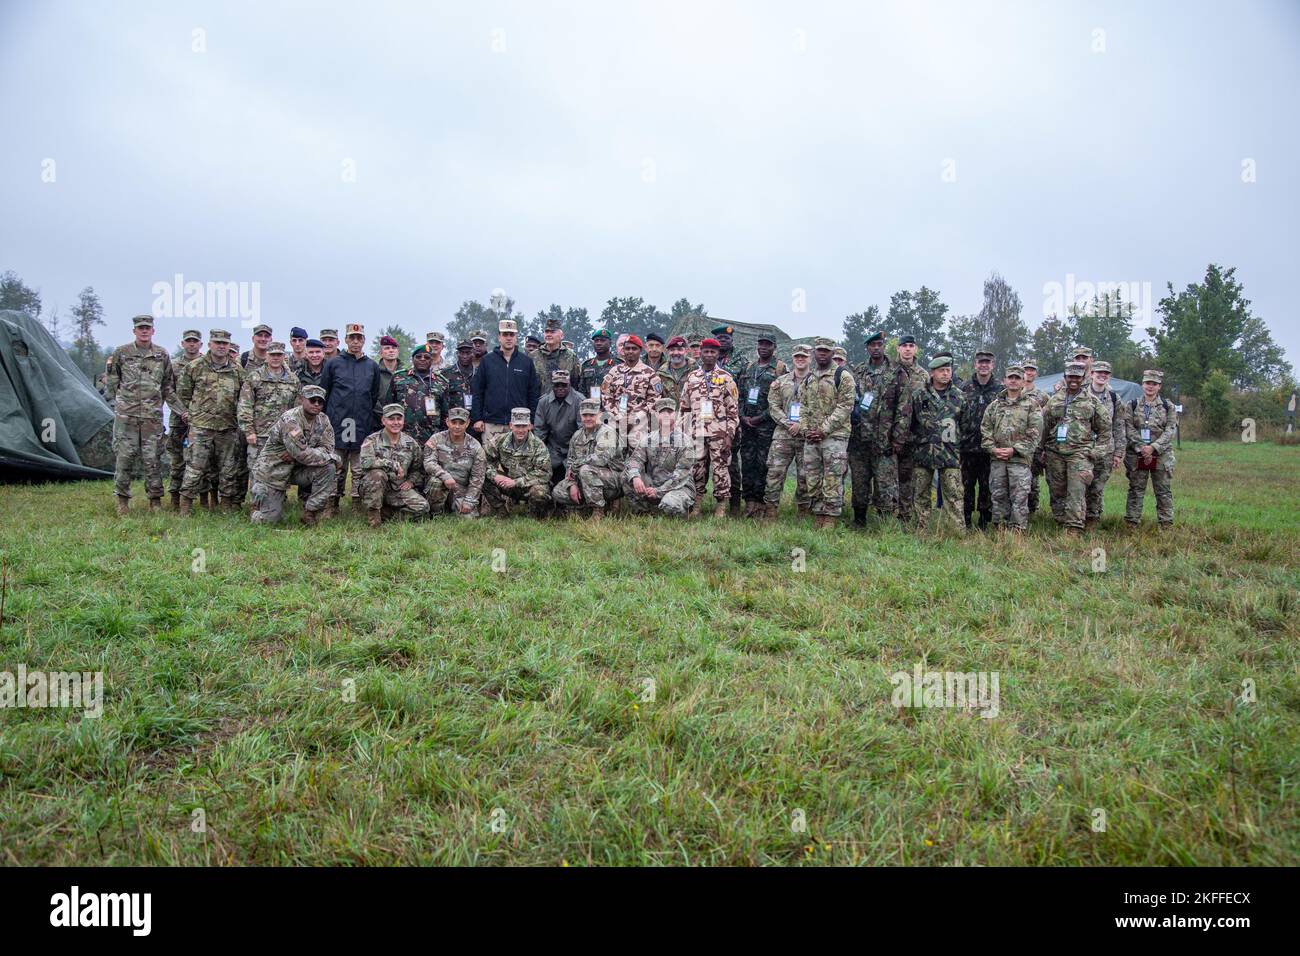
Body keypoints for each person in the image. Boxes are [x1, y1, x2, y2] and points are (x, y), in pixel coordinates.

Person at [105, 314, 184, 515]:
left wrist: (183, 412)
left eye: (147, 327)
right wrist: (118, 407)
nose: (144, 331)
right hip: (127, 419)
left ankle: (155, 501)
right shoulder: (122, 353)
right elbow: (112, 386)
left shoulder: (161, 355)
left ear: (153, 331)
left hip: (152, 418)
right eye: (140, 328)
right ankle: (122, 501)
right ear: (134, 331)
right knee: (124, 459)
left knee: (153, 460)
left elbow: (167, 387)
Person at [177, 329, 246, 514]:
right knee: (195, 468)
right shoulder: (195, 367)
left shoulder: (237, 370)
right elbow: (183, 393)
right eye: (217, 343)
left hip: (227, 427)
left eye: (225, 343)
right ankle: (186, 506)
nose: (221, 346)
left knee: (228, 469)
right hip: (201, 427)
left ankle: (226, 506)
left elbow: (243, 397)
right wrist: (188, 413)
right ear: (209, 345)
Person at [249, 386, 338, 525]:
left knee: (328, 468)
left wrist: (299, 454)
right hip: (274, 470)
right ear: (302, 400)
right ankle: (257, 506)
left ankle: (310, 513)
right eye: (312, 400)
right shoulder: (291, 420)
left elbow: (328, 448)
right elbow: (302, 454)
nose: (316, 404)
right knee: (269, 521)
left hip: (299, 468)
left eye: (320, 402)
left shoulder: (324, 420)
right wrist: (303, 454)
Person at [1041, 361, 1111, 537]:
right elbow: (1044, 426)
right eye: (1070, 376)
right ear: (1065, 378)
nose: (1074, 380)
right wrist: (1041, 450)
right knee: (1057, 490)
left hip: (1080, 453)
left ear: (1083, 378)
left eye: (1077, 377)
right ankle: (1060, 520)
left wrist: (1097, 452)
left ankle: (1074, 527)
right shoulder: (1054, 400)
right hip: (1055, 453)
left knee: (1076, 491)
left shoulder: (1092, 402)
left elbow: (1105, 429)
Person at [319, 322, 382, 517]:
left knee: (358, 467)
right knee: (336, 466)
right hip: (337, 422)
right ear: (345, 340)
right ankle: (332, 503)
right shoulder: (333, 363)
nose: (355, 341)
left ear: (364, 340)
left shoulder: (372, 366)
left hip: (361, 422)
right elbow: (325, 393)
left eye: (359, 338)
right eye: (352, 337)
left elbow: (373, 394)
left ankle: (356, 503)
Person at [848, 331, 906, 525]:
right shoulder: (858, 372)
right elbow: (850, 402)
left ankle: (885, 524)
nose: (876, 348)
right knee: (859, 481)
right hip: (859, 438)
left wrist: (898, 438)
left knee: (885, 484)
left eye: (879, 344)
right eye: (872, 345)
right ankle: (859, 520)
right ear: (867, 348)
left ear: (884, 346)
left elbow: (904, 408)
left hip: (885, 440)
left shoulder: (896, 372)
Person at [798, 338, 855, 528]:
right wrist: (806, 429)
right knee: (812, 477)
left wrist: (823, 430)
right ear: (814, 352)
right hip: (812, 436)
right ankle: (818, 513)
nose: (822, 353)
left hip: (835, 436)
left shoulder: (843, 376)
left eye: (826, 351)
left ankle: (830, 517)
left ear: (832, 353)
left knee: (832, 477)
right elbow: (803, 406)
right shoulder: (809, 377)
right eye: (819, 350)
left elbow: (845, 406)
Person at [679, 338, 739, 517]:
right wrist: (684, 432)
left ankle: (721, 505)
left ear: (718, 354)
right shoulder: (692, 378)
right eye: (706, 351)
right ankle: (696, 504)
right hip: (696, 433)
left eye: (713, 352)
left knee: (720, 469)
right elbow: (684, 408)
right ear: (701, 353)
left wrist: (729, 434)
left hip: (719, 432)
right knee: (697, 468)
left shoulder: (726, 378)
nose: (709, 355)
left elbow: (733, 410)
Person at [980, 365, 1042, 533]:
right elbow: (985, 430)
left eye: (1017, 378)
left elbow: (1035, 433)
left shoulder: (1032, 405)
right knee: (998, 495)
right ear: (1004, 381)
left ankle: (1017, 531)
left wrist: (1014, 450)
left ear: (1023, 381)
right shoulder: (994, 405)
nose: (1013, 381)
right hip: (998, 459)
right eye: (1010, 378)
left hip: (1019, 461)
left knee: (1019, 497)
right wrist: (992, 449)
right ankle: (999, 528)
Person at [909, 355, 965, 533]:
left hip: (949, 454)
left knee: (954, 495)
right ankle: (921, 529)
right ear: (932, 372)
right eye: (941, 370)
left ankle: (955, 531)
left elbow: (967, 425)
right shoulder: (919, 395)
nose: (946, 374)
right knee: (920, 494)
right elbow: (910, 423)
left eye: (948, 370)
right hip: (923, 452)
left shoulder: (959, 396)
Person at [736, 334, 787, 516]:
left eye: (768, 344)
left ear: (774, 347)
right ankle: (749, 501)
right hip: (747, 425)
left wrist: (760, 418)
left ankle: (761, 503)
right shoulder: (748, 367)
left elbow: (781, 400)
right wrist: (742, 416)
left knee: (764, 463)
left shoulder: (780, 369)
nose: (763, 347)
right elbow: (739, 395)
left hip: (766, 426)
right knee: (748, 463)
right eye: (761, 344)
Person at [762, 344, 812, 518]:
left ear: (810, 358)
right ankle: (770, 511)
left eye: (804, 356)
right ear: (793, 358)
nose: (800, 359)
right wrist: (786, 422)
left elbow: (820, 408)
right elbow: (773, 405)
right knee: (774, 472)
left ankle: (803, 511)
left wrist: (802, 424)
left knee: (806, 474)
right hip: (783, 434)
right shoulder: (781, 381)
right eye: (797, 356)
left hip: (806, 435)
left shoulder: (817, 381)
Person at [552, 398, 625, 518]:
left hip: (613, 479)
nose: (588, 418)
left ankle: (598, 511)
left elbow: (601, 459)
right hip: (587, 478)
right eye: (585, 415)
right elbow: (570, 462)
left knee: (586, 470)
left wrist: (577, 465)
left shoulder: (607, 433)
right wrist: (572, 483)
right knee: (558, 491)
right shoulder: (577, 436)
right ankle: (585, 507)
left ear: (600, 415)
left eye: (592, 415)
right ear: (580, 416)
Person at [358, 404, 429, 526]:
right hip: (374, 487)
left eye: (399, 419)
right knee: (377, 474)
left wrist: (411, 481)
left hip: (398, 489)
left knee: (423, 508)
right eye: (391, 419)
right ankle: (374, 518)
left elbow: (418, 469)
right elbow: (365, 463)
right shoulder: (372, 440)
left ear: (403, 420)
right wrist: (391, 464)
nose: (396, 422)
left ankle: (387, 513)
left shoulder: (410, 443)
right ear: (383, 420)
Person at [471, 319, 540, 445]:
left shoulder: (526, 362)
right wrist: (477, 418)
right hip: (491, 423)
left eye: (512, 334)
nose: (508, 338)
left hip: (519, 424)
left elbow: (533, 393)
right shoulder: (487, 361)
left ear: (516, 337)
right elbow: (478, 391)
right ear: (499, 337)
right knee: (491, 462)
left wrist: (532, 420)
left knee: (517, 462)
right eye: (505, 334)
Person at [624, 398, 696, 516]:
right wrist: (635, 477)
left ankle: (683, 507)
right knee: (627, 476)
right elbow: (635, 460)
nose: (666, 415)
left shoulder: (685, 441)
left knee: (670, 504)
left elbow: (681, 474)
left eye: (670, 411)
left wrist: (659, 491)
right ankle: (645, 512)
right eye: (662, 412)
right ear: (657, 415)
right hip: (655, 484)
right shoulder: (648, 438)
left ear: (675, 414)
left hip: (679, 487)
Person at [237, 342, 301, 475]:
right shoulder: (255, 377)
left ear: (284, 356)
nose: (276, 358)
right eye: (272, 355)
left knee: (280, 475)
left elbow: (297, 410)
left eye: (279, 354)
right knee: (257, 473)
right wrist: (249, 431)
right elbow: (245, 406)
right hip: (259, 436)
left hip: (283, 437)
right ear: (267, 356)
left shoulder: (293, 380)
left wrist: (294, 434)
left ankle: (279, 497)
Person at [1124, 370, 1176, 530]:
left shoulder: (1168, 406)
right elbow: (1128, 428)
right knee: (1136, 490)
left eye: (1154, 384)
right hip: (1137, 455)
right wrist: (1141, 447)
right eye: (1147, 383)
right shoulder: (1132, 405)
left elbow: (1170, 430)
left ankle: (1166, 525)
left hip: (1161, 455)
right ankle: (1131, 524)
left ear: (1159, 386)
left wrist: (1153, 447)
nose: (1150, 387)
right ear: (1143, 384)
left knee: (1163, 491)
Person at [959, 348, 1003, 530]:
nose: (984, 365)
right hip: (967, 448)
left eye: (987, 362)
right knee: (966, 487)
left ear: (993, 365)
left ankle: (985, 523)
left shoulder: (1001, 390)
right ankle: (966, 521)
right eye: (980, 362)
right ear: (975, 364)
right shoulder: (964, 388)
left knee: (987, 487)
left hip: (989, 448)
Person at [482, 407, 551, 517]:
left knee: (539, 493)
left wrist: (516, 482)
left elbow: (544, 473)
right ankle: (501, 511)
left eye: (524, 426)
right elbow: (483, 461)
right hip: (507, 483)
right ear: (510, 426)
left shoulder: (539, 446)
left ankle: (533, 516)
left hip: (528, 486)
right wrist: (495, 476)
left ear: (529, 426)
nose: (520, 430)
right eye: (517, 426)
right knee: (483, 478)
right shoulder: (500, 441)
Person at [1083, 361, 1126, 530]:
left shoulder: (1114, 398)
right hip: (1084, 449)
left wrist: (1118, 453)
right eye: (1099, 372)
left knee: (1097, 486)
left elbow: (1118, 426)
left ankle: (1093, 519)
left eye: (1106, 373)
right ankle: (1078, 518)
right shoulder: (1081, 394)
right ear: (1092, 374)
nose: (1102, 375)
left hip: (1106, 450)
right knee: (1081, 485)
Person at [891, 335, 930, 523]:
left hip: (914, 434)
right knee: (889, 476)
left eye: (911, 346)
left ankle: (906, 515)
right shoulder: (890, 370)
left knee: (909, 476)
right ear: (898, 349)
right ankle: (888, 513)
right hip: (890, 433)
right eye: (904, 346)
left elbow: (927, 405)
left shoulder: (923, 375)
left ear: (916, 349)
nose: (907, 349)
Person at [164, 329, 204, 509]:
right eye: (188, 341)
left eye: (195, 341)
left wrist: (196, 413)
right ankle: (175, 498)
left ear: (201, 344)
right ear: (183, 344)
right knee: (178, 461)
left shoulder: (206, 364)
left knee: (201, 461)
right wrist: (182, 411)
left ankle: (203, 499)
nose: (192, 344)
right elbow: (168, 391)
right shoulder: (174, 366)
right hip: (179, 421)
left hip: (202, 421)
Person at [423, 407, 485, 518]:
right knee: (435, 482)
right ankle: (435, 514)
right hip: (440, 484)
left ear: (467, 423)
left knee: (468, 518)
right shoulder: (436, 439)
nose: (457, 426)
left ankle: (452, 506)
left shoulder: (475, 446)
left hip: (461, 490)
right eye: (453, 422)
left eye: (461, 423)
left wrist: (469, 501)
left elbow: (477, 477)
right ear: (447, 422)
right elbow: (428, 462)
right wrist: (444, 475)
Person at [712, 325, 747, 515]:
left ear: (732, 340)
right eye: (720, 337)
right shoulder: (707, 359)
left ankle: (734, 503)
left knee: (730, 462)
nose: (723, 340)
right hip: (709, 421)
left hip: (731, 419)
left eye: (726, 338)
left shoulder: (741, 360)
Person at [600, 334, 660, 439]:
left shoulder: (650, 373)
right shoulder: (614, 372)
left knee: (637, 453)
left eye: (634, 348)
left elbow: (655, 400)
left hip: (640, 424)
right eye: (627, 348)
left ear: (640, 351)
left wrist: (638, 416)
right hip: (616, 422)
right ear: (623, 350)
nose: (630, 351)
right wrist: (616, 414)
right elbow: (605, 395)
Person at [391, 344, 450, 445]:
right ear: (412, 359)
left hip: (431, 439)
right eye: (418, 357)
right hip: (402, 437)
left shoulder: (441, 382)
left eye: (427, 357)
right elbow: (389, 406)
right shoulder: (398, 377)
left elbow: (446, 415)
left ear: (431, 360)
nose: (422, 359)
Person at [534, 370, 583, 484]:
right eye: (557, 385)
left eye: (564, 385)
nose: (560, 388)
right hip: (553, 448)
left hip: (574, 448)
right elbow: (539, 430)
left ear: (569, 384)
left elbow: (583, 431)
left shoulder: (580, 401)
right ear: (552, 385)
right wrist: (539, 452)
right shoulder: (543, 402)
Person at [1020, 358, 1049, 516]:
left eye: (1032, 370)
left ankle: (1032, 511)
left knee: (1033, 480)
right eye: (1026, 369)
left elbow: (1048, 420)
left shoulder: (1042, 396)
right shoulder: (1015, 392)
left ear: (1036, 373)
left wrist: (1043, 445)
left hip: (1035, 444)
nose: (1029, 372)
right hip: (1017, 442)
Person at [531, 317, 582, 399]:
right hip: (539, 406)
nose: (548, 335)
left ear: (561, 336)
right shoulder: (534, 356)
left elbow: (575, 383)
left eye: (552, 332)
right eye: (546, 332)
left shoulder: (570, 356)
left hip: (564, 406)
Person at [657, 335, 693, 406]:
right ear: (668, 352)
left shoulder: (696, 370)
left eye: (679, 349)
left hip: (691, 414)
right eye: (672, 349)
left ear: (686, 351)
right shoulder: (661, 374)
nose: (676, 353)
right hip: (669, 415)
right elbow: (657, 399)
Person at [442, 340, 475, 411]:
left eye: (468, 353)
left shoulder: (479, 373)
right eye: (462, 353)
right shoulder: (446, 373)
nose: (465, 356)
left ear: (473, 353)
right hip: (455, 419)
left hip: (475, 418)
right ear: (457, 354)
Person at [375, 335, 405, 410]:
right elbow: (372, 396)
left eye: (394, 348)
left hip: (401, 417)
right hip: (379, 416)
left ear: (398, 351)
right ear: (381, 353)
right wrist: (385, 414)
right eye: (387, 348)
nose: (391, 350)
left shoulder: (405, 373)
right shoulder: (375, 372)